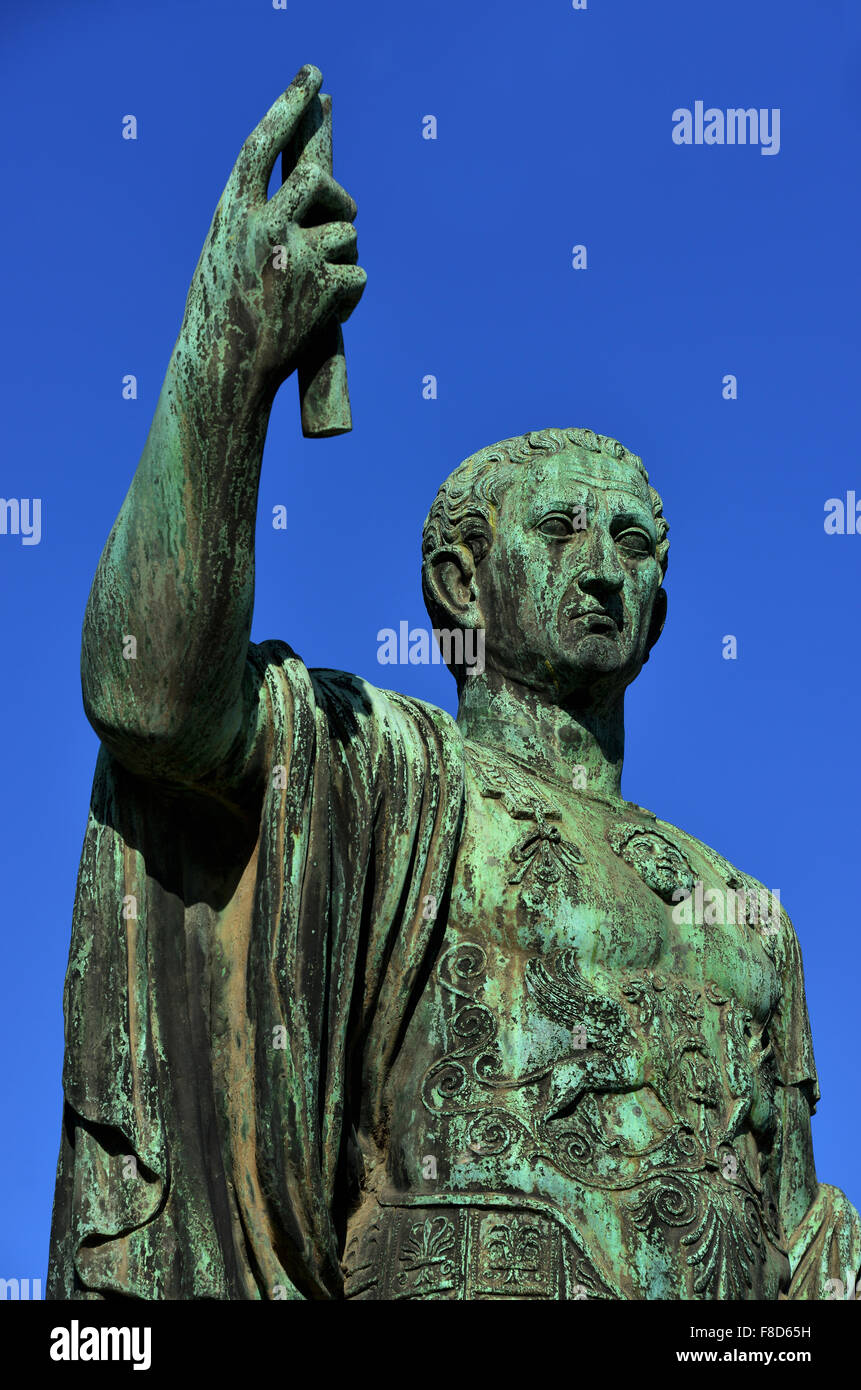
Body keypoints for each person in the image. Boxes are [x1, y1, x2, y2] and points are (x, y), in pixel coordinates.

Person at [48, 66, 861, 1301]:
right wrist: (231, 359)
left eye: (636, 543)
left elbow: (802, 1244)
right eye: (563, 531)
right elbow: (148, 698)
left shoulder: (748, 910)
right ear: (460, 584)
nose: (606, 568)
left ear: (662, 608)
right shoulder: (386, 769)